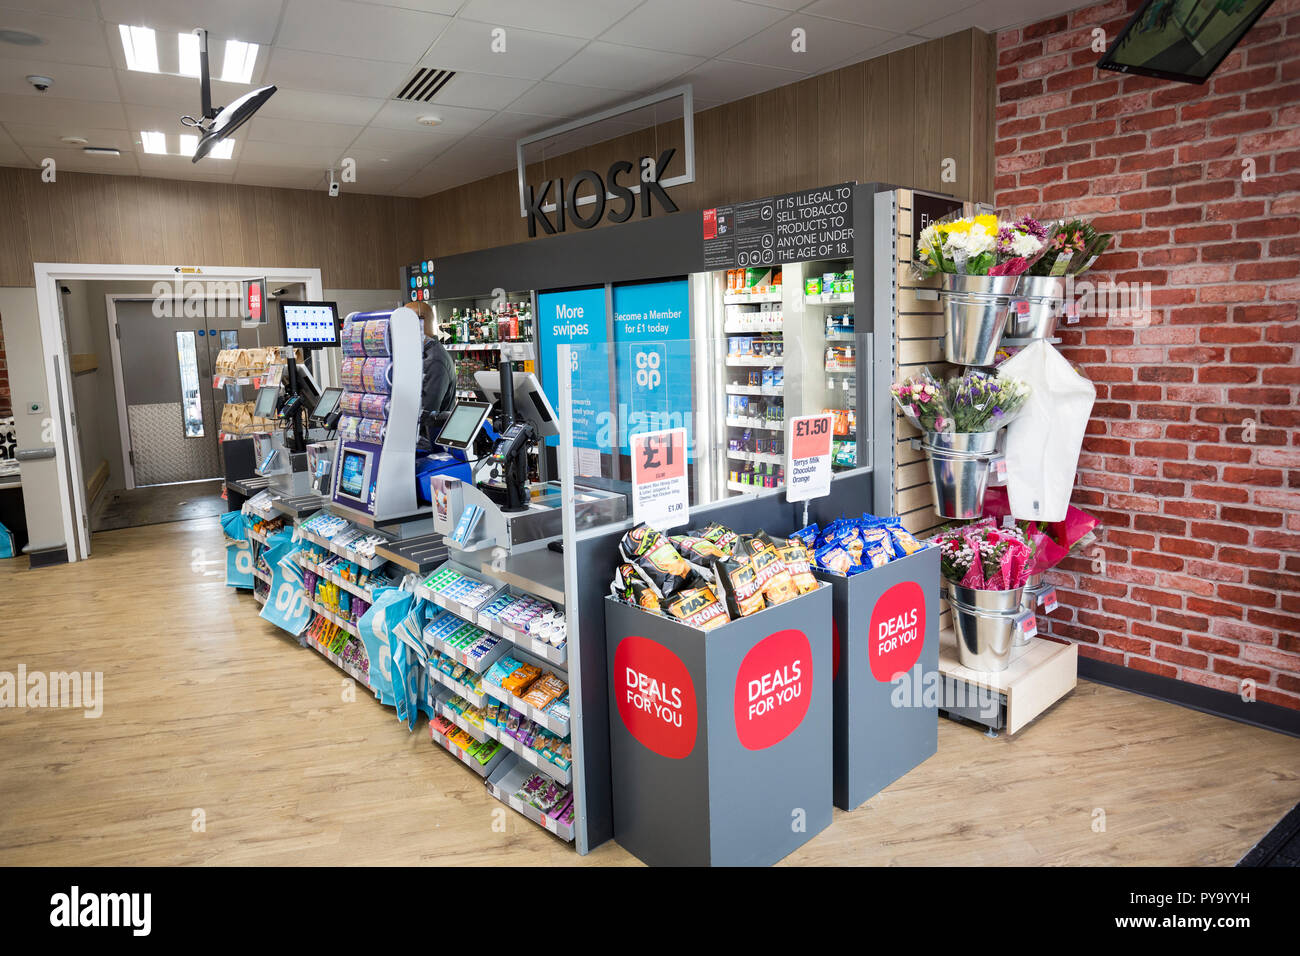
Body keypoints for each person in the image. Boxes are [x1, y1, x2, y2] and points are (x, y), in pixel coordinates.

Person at [407, 300, 456, 449]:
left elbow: (426, 414)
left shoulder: (434, 360)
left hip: (429, 447)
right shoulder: (420, 354)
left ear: (420, 322)